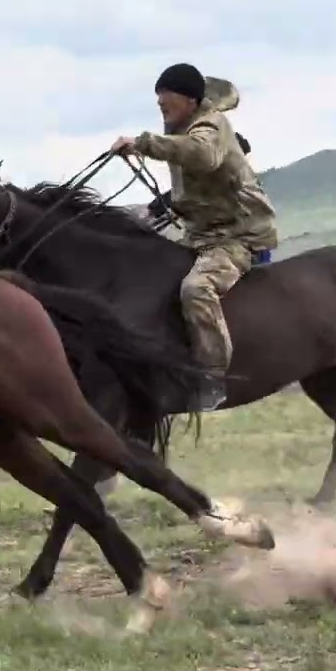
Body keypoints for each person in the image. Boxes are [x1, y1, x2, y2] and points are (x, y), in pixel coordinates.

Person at [111, 62, 279, 411]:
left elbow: (201, 155)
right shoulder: (184, 126)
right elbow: (190, 191)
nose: (161, 108)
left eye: (166, 102)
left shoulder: (210, 127)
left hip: (237, 237)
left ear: (189, 99)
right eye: (159, 103)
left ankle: (212, 378)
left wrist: (143, 144)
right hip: (200, 235)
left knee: (196, 289)